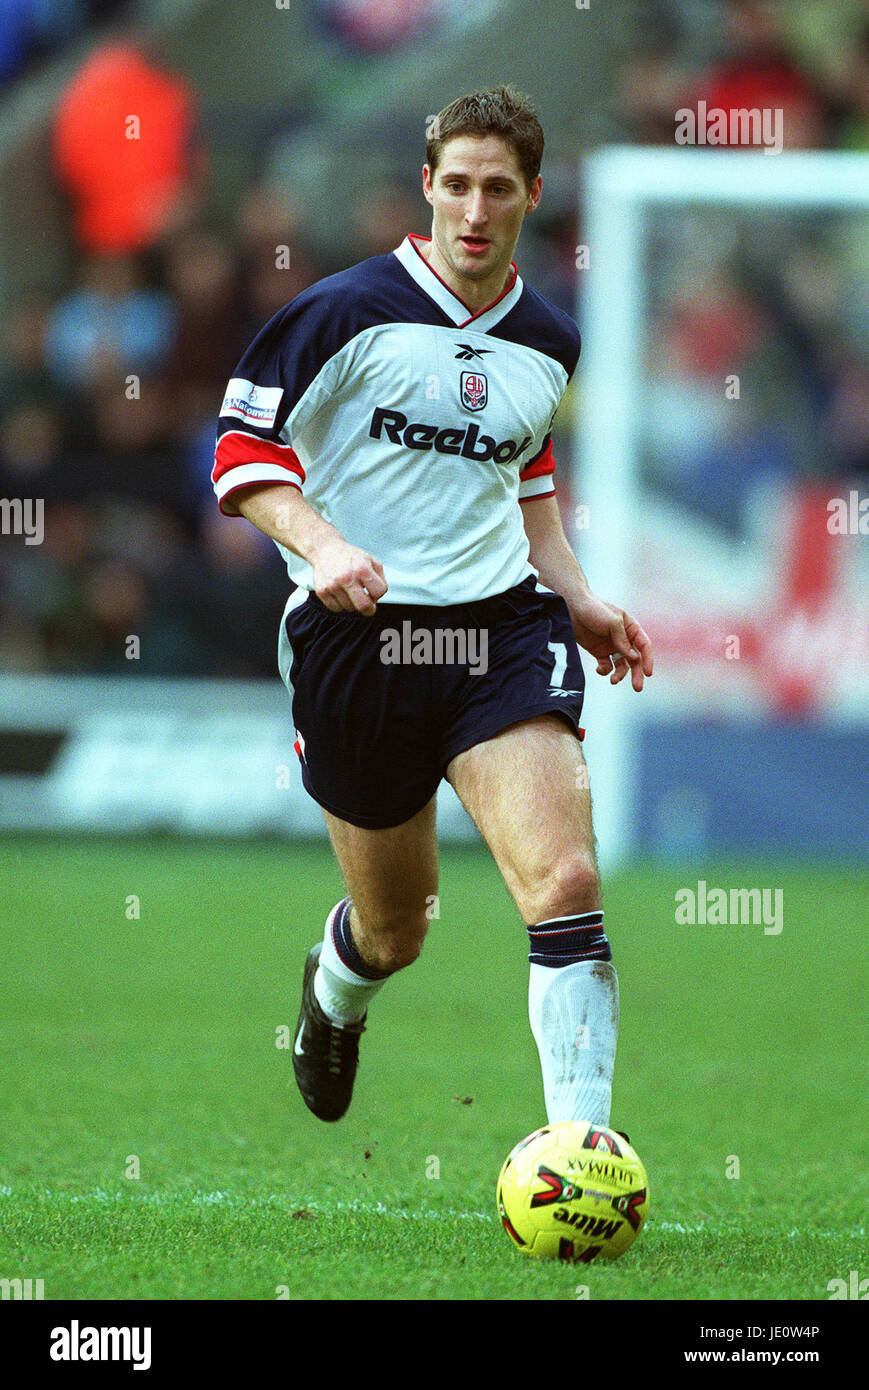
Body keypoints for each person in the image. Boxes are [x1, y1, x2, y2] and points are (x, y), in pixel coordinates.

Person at [212, 87, 653, 1131]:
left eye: (496, 188)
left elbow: (525, 474)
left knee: (565, 879)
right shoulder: (341, 310)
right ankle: (334, 991)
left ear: (530, 198)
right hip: (358, 641)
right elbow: (241, 450)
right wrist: (321, 546)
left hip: (497, 631)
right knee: (395, 928)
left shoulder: (547, 340)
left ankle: (578, 1149)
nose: (473, 208)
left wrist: (576, 595)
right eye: (454, 184)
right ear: (426, 187)